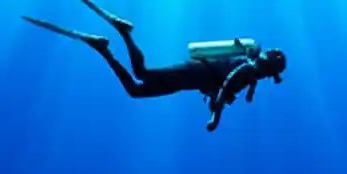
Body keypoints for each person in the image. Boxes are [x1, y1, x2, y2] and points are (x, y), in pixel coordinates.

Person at [22, 0, 286, 131]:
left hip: (189, 80)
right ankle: (122, 33)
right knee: (142, 73)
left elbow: (228, 83)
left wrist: (219, 100)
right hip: (191, 73)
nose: (267, 76)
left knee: (136, 90)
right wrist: (216, 116)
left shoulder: (251, 72)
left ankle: (103, 48)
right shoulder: (250, 69)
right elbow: (232, 77)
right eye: (271, 73)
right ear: (270, 69)